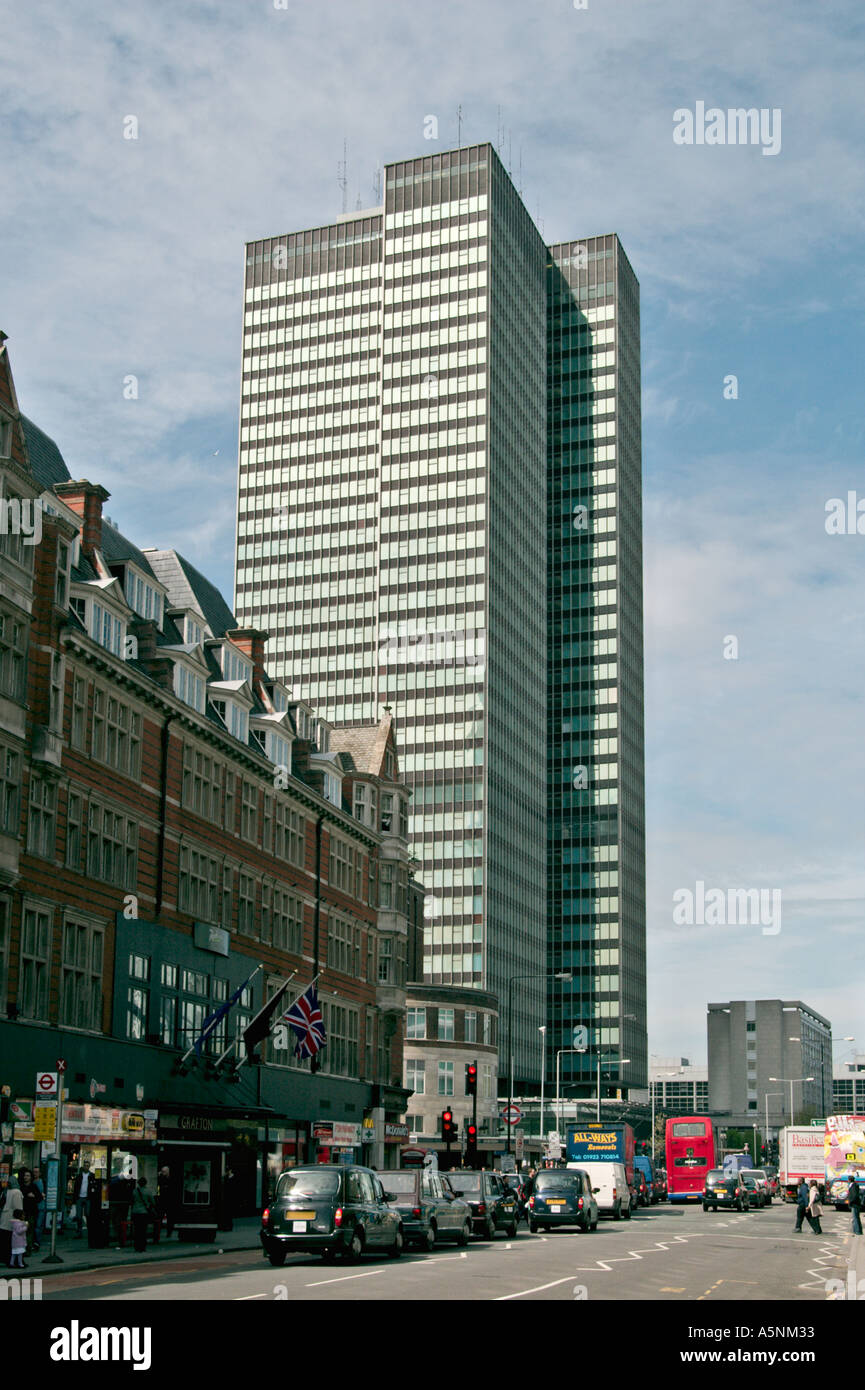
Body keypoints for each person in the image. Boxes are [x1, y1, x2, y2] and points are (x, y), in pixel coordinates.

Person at [130, 1176, 156, 1253]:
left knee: (137, 1230)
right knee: (143, 1230)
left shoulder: (134, 1191)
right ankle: (142, 1247)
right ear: (145, 1183)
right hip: (144, 1213)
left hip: (135, 1212)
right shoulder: (148, 1191)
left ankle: (136, 1246)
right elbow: (153, 1202)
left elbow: (132, 1201)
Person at [109, 1171, 133, 1249]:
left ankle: (120, 1239)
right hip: (124, 1205)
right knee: (122, 1222)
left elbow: (110, 1184)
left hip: (116, 1204)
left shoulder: (115, 1182)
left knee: (117, 1223)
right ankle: (121, 1239)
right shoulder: (127, 1184)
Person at [0, 1186, 23, 1267]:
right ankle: (15, 1262)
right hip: (12, 1219)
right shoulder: (16, 1192)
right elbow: (18, 1208)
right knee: (15, 1244)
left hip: (3, 1219)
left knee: (4, 1240)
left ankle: (6, 1259)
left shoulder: (5, 1191)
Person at [73, 1161, 92, 1236]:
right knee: (79, 1216)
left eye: (87, 1166)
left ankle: (89, 1231)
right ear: (83, 1167)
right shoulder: (79, 1176)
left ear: (89, 1167)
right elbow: (76, 1187)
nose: (86, 1167)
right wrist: (75, 1198)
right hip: (80, 1197)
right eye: (85, 1166)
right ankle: (79, 1231)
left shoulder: (91, 1176)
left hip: (87, 1197)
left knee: (88, 1214)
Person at [157, 1166, 176, 1239]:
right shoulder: (161, 1178)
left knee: (170, 1217)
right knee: (160, 1216)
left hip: (169, 1201)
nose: (163, 1173)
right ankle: (158, 1232)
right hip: (162, 1200)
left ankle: (169, 1232)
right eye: (162, 1171)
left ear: (168, 1171)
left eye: (164, 1171)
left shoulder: (170, 1179)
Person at [31, 1166, 46, 1250]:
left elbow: (45, 1193)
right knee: (33, 1225)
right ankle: (34, 1241)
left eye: (37, 1172)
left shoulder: (42, 1182)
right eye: (34, 1172)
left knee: (38, 1225)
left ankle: (37, 1242)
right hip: (33, 1206)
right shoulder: (31, 1182)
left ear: (40, 1173)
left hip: (41, 1206)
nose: (35, 1173)